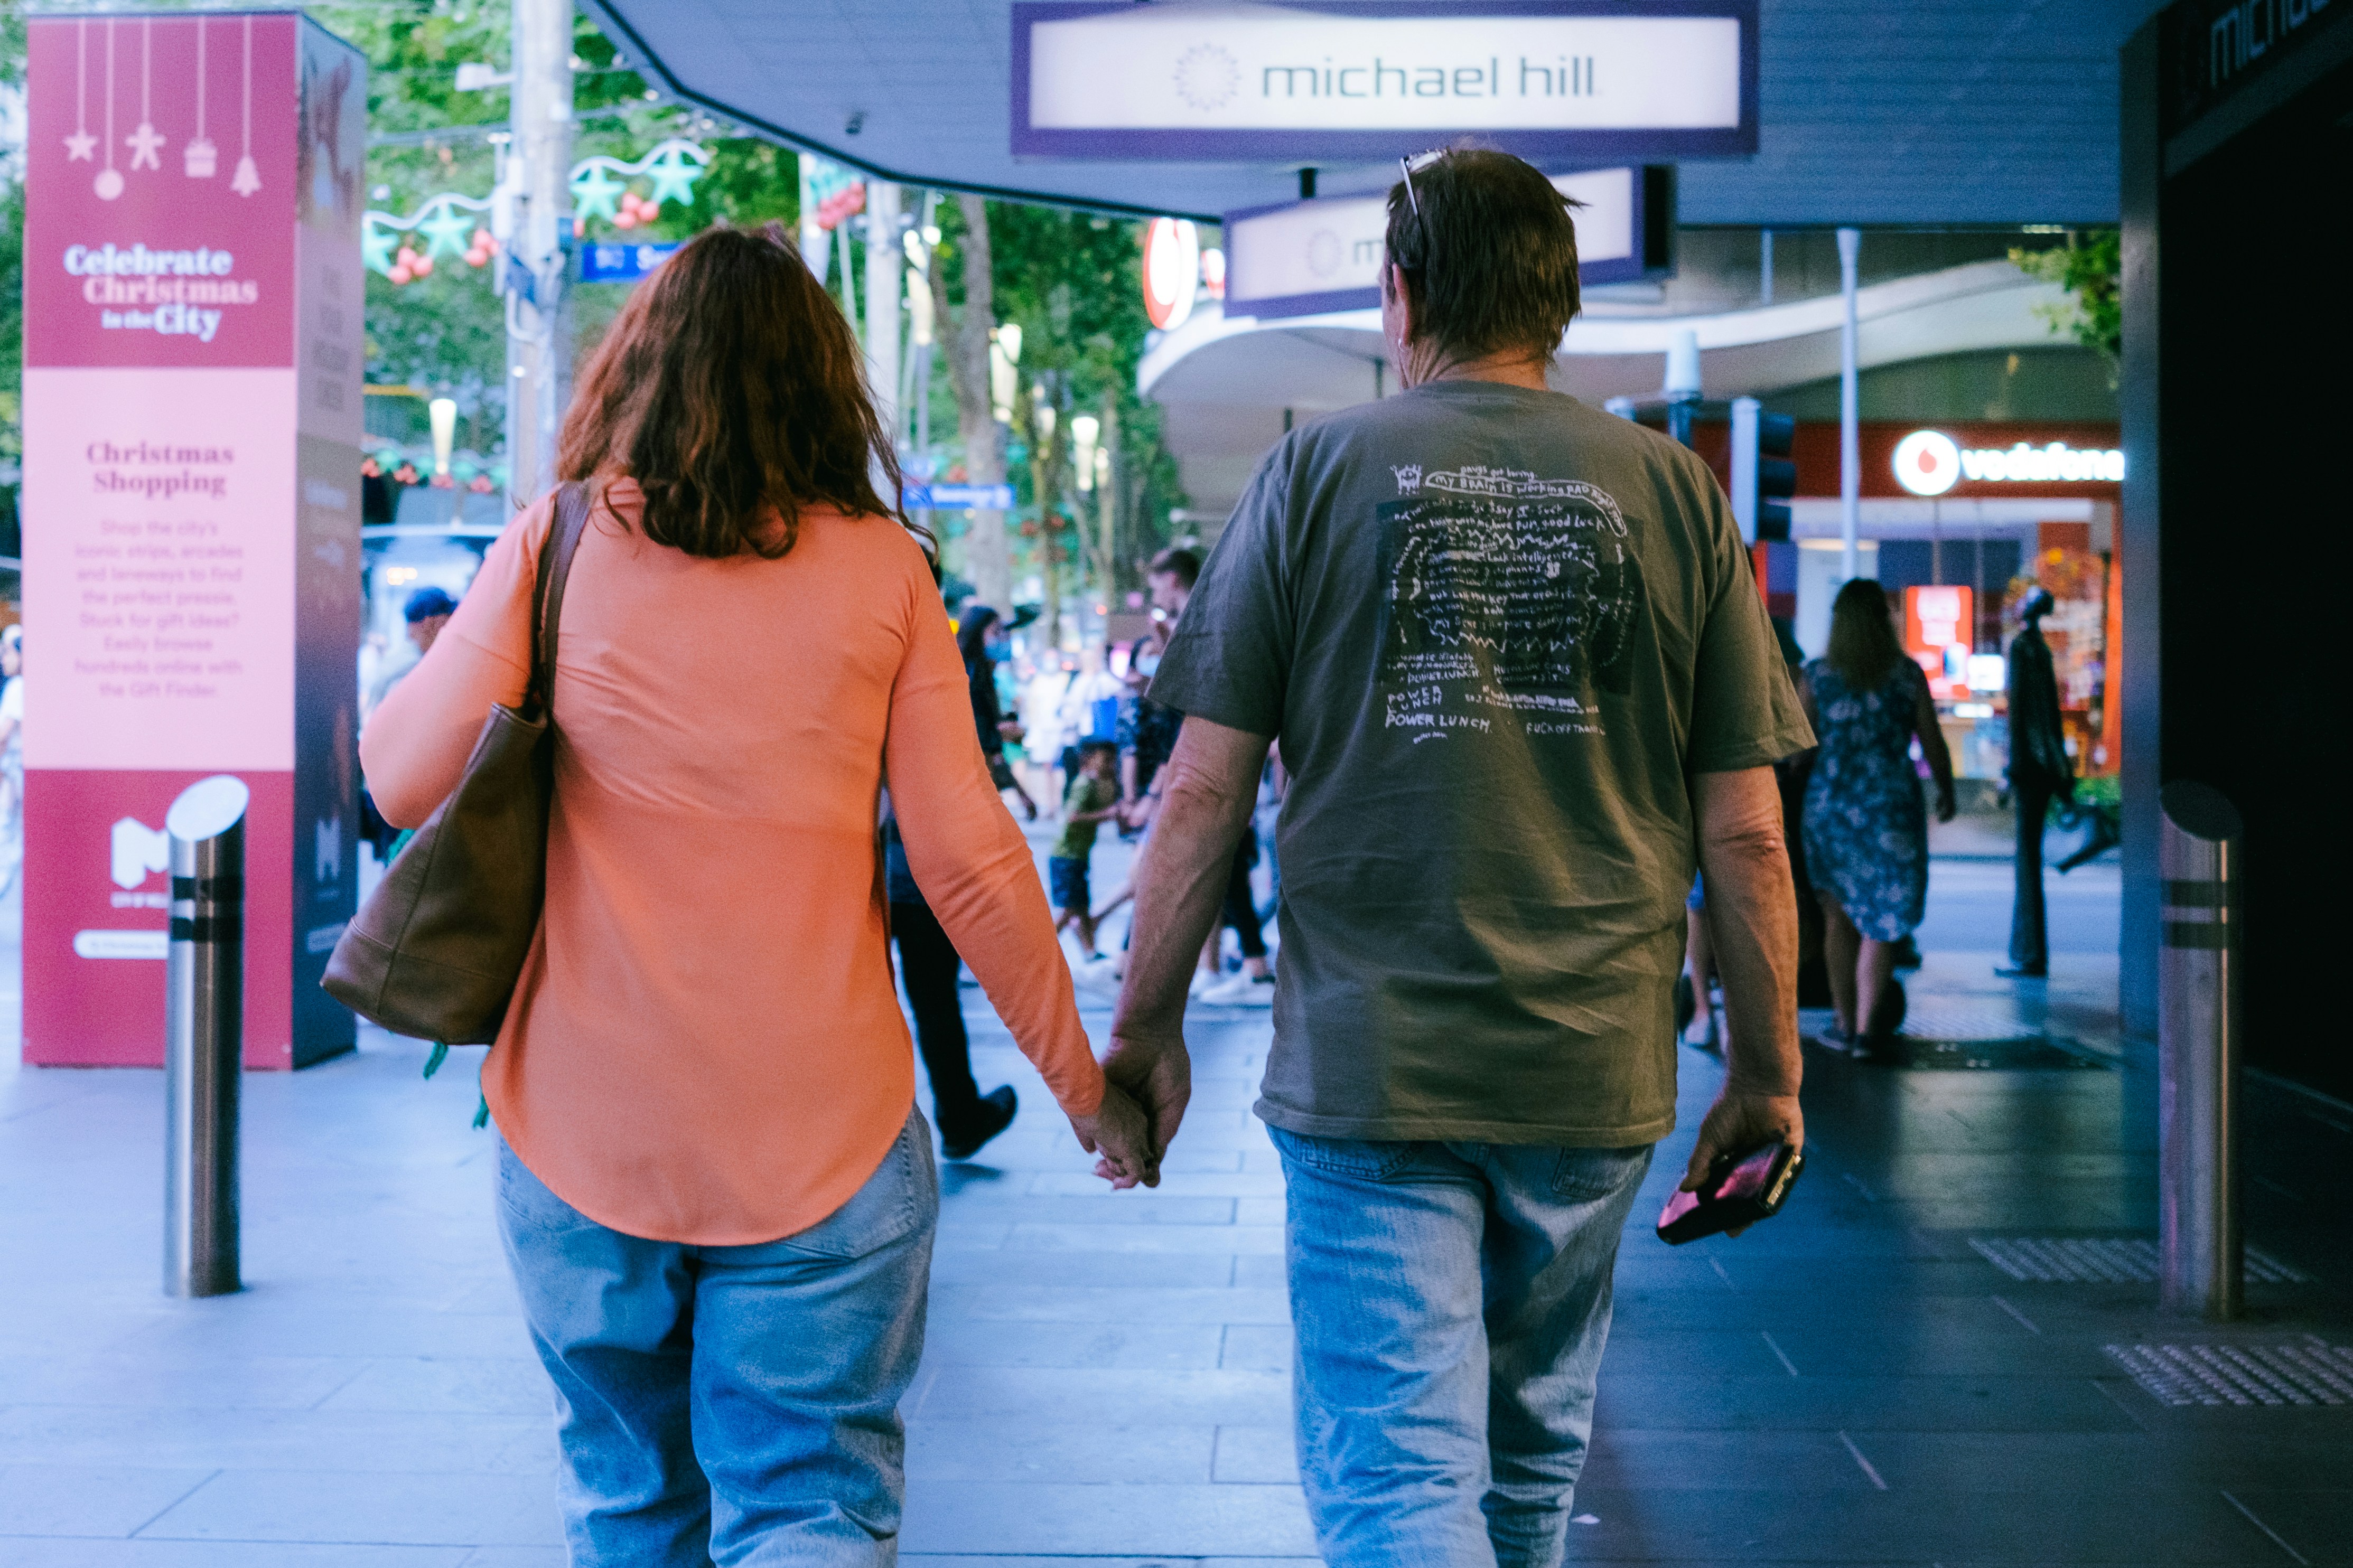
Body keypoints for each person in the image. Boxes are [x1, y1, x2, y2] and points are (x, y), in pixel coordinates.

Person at [362, 224, 1151, 1566]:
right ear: (820, 382)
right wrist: (1088, 1088)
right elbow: (965, 858)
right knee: (811, 1509)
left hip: (580, 1135)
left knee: (629, 1503)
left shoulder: (553, 544)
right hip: (822, 1141)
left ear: (636, 370)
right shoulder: (889, 572)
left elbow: (395, 779)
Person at [1104, 147, 1814, 1568]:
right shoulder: (1672, 494)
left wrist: (1144, 1028)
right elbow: (1741, 823)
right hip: (1591, 1064)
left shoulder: (1313, 472)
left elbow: (1201, 790)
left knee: (1394, 1474)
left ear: (1399, 288)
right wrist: (1765, 1072)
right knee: (1526, 1470)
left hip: (1374, 1064)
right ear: (1556, 303)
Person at [1798, 578, 1958, 1054]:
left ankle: (1844, 1024)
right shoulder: (1907, 675)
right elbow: (1932, 741)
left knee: (1837, 919)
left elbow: (1800, 746)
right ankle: (1869, 1032)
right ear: (1884, 620)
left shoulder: (1818, 675)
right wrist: (1946, 789)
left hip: (1830, 806)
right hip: (1890, 808)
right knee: (1882, 922)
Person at [881, 792, 1020, 1162]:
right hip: (917, 879)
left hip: (857, 879)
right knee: (935, 1002)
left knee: (854, 1002)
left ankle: (847, 1133)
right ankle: (959, 1116)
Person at [2001, 585, 2072, 978]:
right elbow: (2050, 716)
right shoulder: (2040, 648)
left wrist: (2011, 769)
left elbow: (2020, 716)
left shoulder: (2021, 648)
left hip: (2030, 767)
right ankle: (2029, 950)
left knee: (2026, 862)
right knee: (2030, 860)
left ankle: (2028, 952)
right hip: (2045, 767)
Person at [956, 606, 1038, 821]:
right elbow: (981, 735)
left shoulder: (982, 674)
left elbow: (992, 746)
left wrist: (1021, 794)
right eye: (996, 632)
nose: (1004, 638)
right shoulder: (969, 675)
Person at [1049, 740, 1122, 960]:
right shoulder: (1084, 783)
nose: (1111, 765)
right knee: (1071, 908)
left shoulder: (1104, 784)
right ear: (1089, 759)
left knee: (1081, 906)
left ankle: (1090, 953)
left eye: (1113, 760)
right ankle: (1043, 949)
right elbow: (1072, 817)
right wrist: (1107, 814)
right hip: (1066, 856)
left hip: (1079, 856)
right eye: (1106, 759)